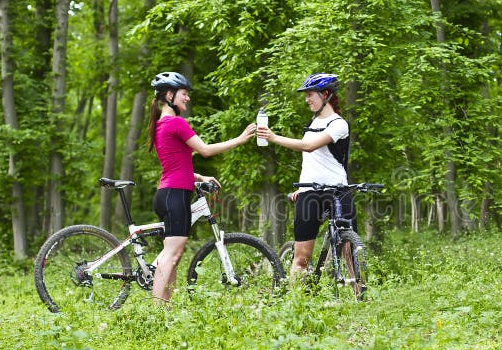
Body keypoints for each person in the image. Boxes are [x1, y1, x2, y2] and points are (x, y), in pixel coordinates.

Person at [148, 71, 256, 303]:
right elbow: (205, 150)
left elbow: (174, 162)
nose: (187, 98)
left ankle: (166, 311)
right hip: (175, 195)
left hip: (167, 193)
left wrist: (197, 176)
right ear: (169, 95)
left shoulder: (160, 124)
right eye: (184, 94)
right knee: (171, 255)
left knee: (172, 257)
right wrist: (240, 139)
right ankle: (156, 312)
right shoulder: (176, 122)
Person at [256, 73, 355, 279]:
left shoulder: (338, 124)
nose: (307, 99)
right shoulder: (312, 124)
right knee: (301, 259)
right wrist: (301, 189)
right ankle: (296, 302)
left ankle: (359, 295)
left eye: (310, 95)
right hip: (310, 192)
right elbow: (313, 161)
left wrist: (273, 137)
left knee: (349, 252)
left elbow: (309, 147)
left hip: (337, 191)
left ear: (325, 94)